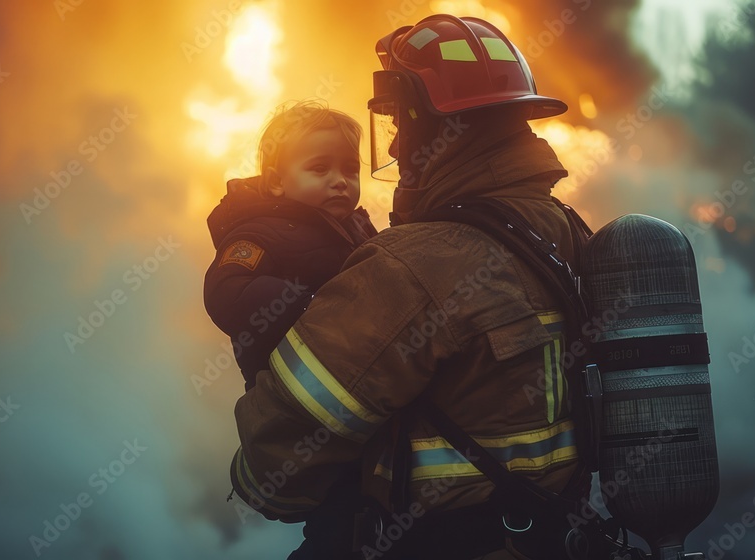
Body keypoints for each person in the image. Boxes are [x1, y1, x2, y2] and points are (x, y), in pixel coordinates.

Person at [229, 15, 592, 560]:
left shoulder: (411, 266)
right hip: (554, 538)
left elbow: (279, 464)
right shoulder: (565, 231)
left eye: (403, 124)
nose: (395, 147)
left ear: (434, 130)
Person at [204, 100, 377, 393]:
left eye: (350, 169)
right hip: (294, 394)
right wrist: (311, 305)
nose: (340, 181)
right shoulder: (260, 232)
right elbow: (227, 291)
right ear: (276, 182)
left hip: (363, 383)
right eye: (320, 168)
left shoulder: (362, 233)